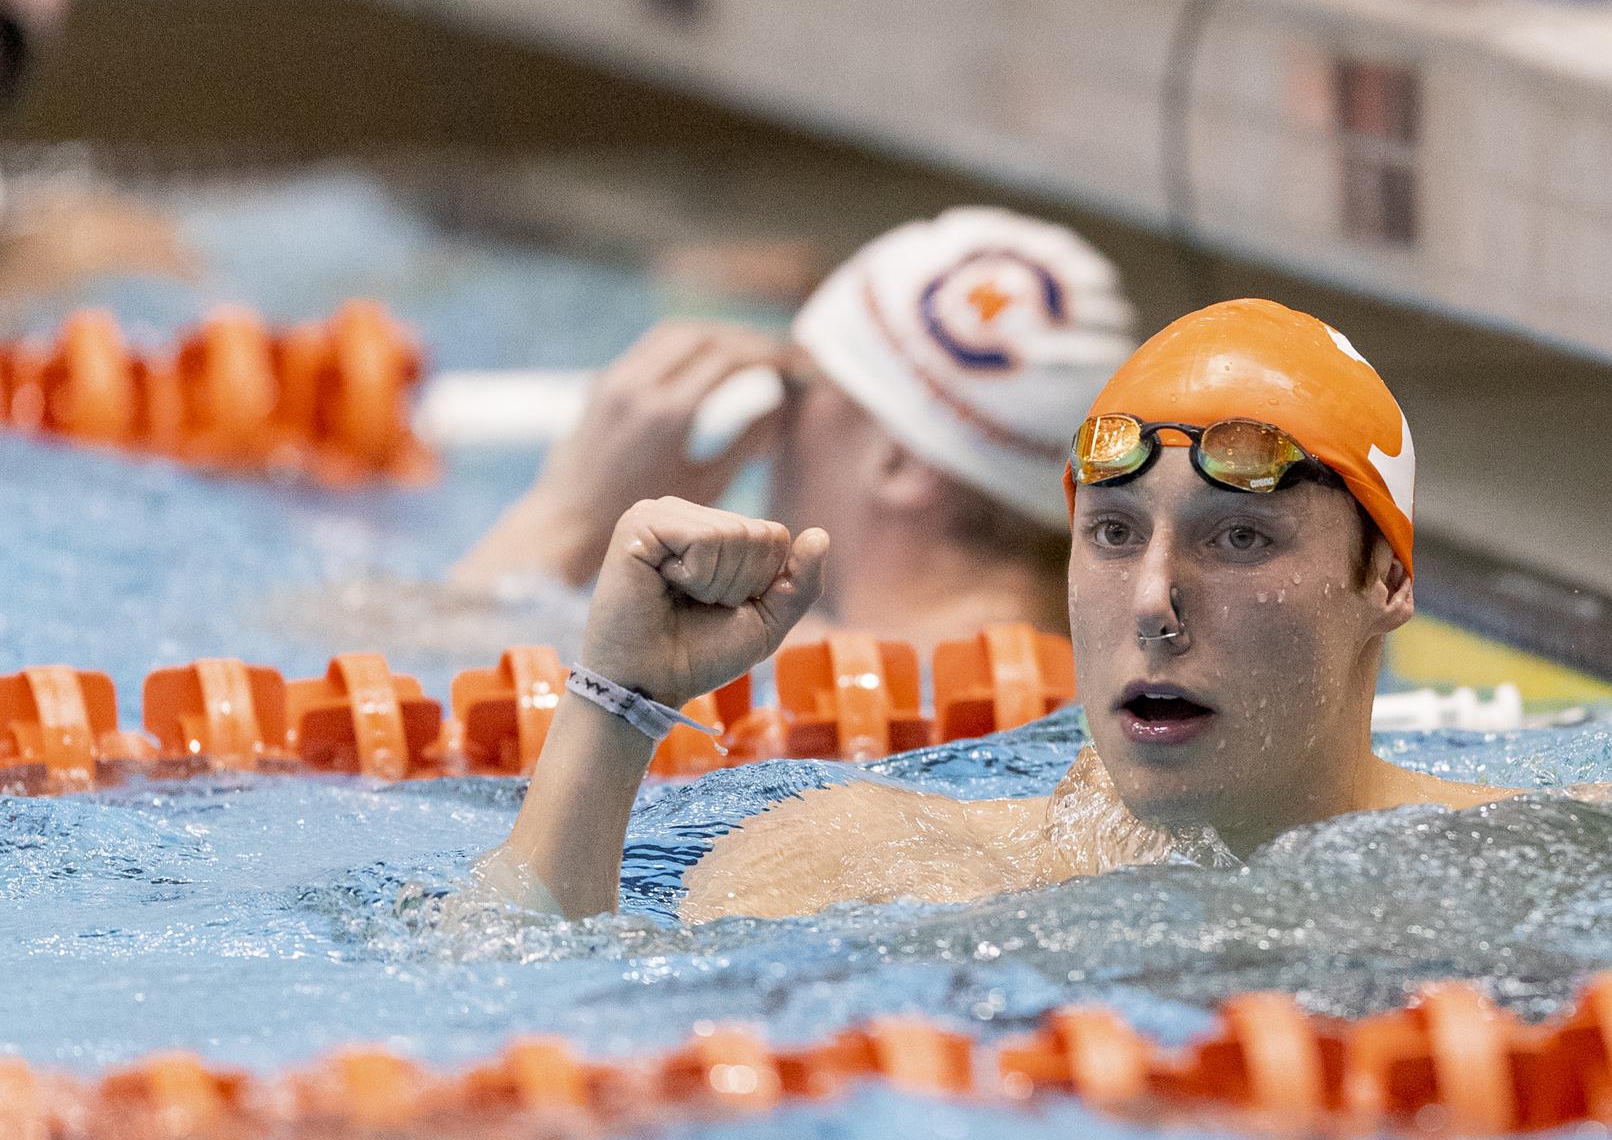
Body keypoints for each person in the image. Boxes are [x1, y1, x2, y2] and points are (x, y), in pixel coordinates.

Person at [468, 297, 1504, 924]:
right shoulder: (861, 858)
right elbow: (532, 1023)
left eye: (1239, 537)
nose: (1153, 605)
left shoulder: (1524, 866)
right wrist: (616, 706)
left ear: (1386, 582)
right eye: (1110, 532)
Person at [450, 206, 1136, 653]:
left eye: (797, 389)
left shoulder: (757, 666)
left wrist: (564, 518)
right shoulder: (1111, 676)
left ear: (899, 464)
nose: (775, 429)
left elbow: (417, 657)